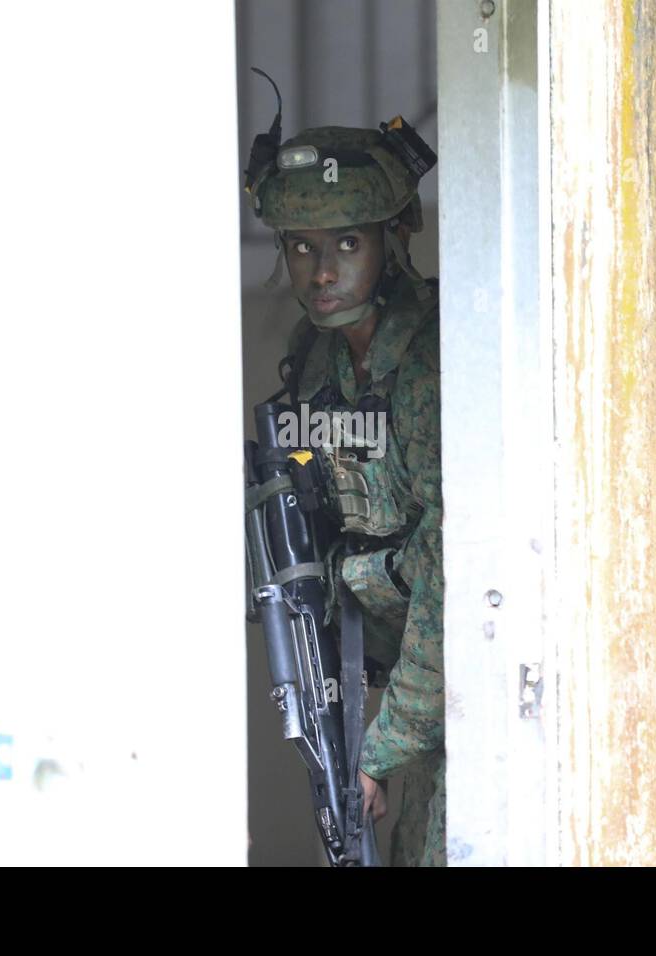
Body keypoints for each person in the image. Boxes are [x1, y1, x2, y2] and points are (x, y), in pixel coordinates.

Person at [244, 120, 445, 866]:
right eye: (302, 247)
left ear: (393, 241)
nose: (322, 272)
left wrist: (380, 746)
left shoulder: (432, 362)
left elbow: (451, 570)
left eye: (348, 246)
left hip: (463, 683)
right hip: (391, 683)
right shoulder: (317, 358)